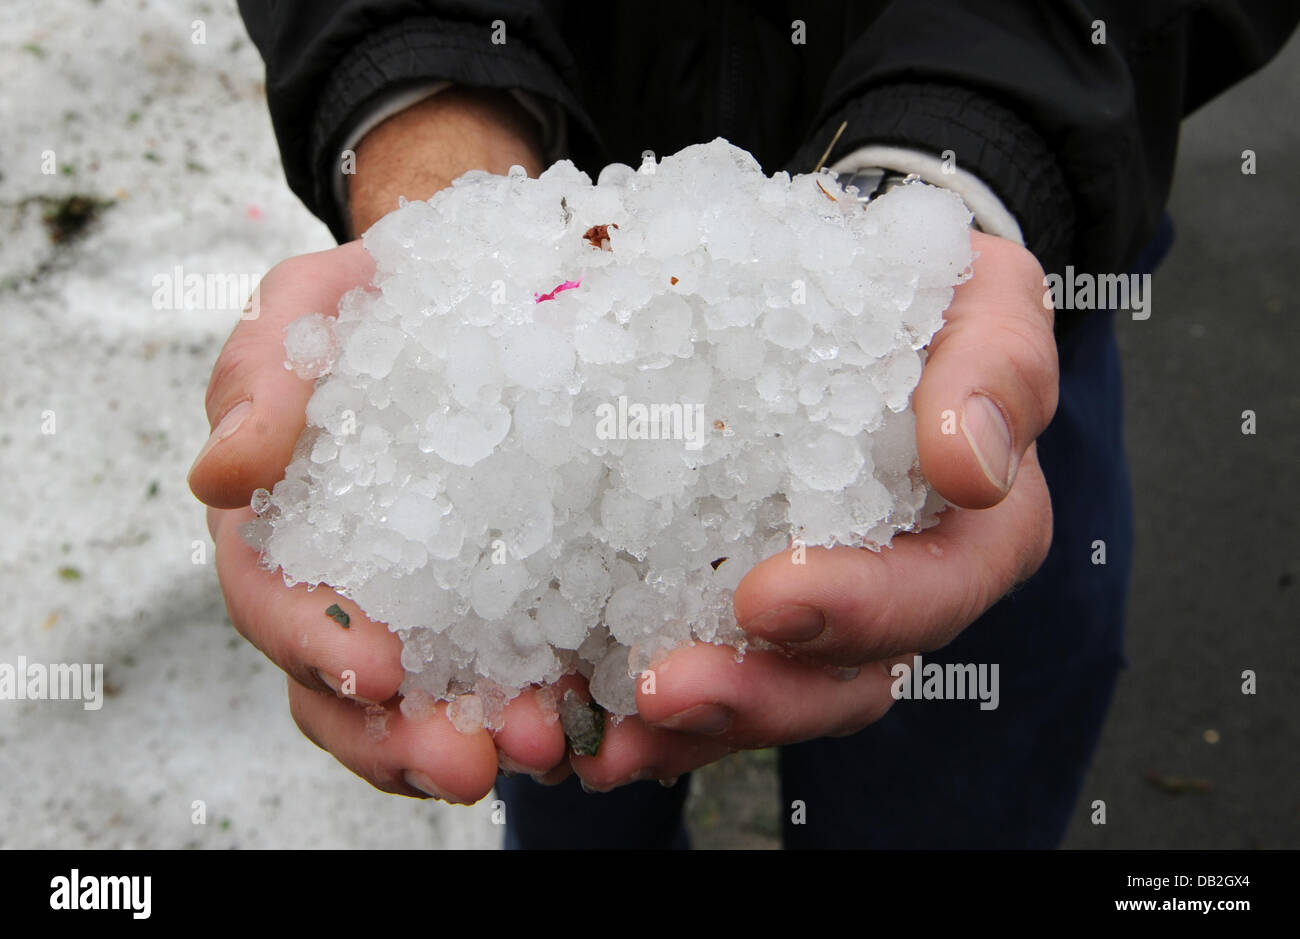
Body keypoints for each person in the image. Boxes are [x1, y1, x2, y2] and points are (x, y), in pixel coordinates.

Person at [189, 1, 1297, 848]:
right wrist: (429, 146)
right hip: (571, 203)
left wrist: (963, 171)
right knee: (571, 755)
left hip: (1014, 280)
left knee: (949, 759)